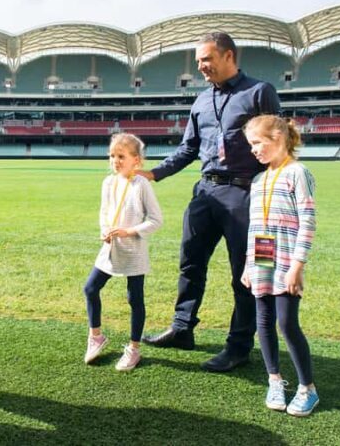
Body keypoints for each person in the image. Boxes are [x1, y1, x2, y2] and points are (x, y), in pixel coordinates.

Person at [140, 32, 281, 372]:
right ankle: (182, 328)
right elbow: (188, 148)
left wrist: (274, 193)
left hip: (245, 194)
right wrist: (153, 174)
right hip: (204, 193)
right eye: (198, 61)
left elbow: (278, 142)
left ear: (228, 56)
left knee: (244, 274)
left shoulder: (260, 92)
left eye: (206, 59)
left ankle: (238, 346)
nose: (200, 67)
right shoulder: (201, 101)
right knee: (190, 264)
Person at [241, 114, 318, 417]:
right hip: (261, 259)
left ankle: (307, 388)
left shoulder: (298, 173)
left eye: (257, 143)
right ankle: (274, 380)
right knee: (263, 322)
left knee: (286, 323)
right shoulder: (259, 180)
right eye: (251, 145)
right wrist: (249, 264)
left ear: (278, 138)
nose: (253, 150)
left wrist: (297, 265)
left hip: (287, 260)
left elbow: (308, 221)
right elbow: (254, 227)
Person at [83, 133, 163, 371]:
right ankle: (96, 336)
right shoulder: (108, 182)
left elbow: (156, 220)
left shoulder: (142, 185)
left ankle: (134, 349)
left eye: (121, 156)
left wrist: (130, 231)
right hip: (110, 248)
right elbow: (104, 212)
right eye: (112, 156)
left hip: (133, 250)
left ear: (136, 161)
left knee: (134, 298)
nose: (115, 161)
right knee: (90, 288)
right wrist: (105, 230)